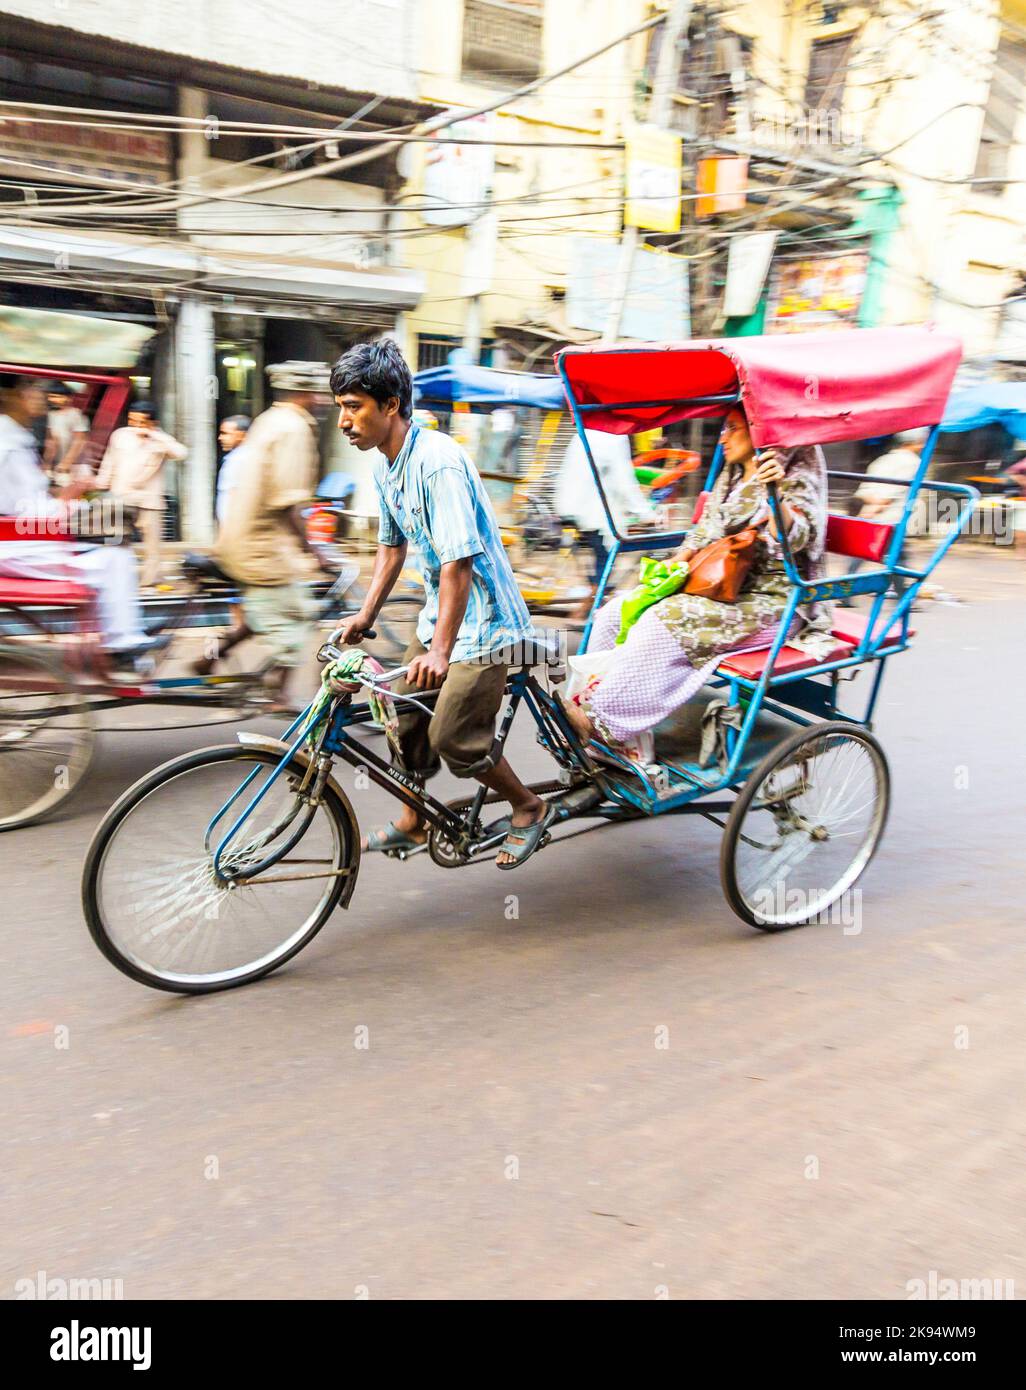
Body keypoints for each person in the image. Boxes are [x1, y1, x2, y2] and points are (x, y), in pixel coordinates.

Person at [329, 339, 549, 871]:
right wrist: (366, 616)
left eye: (354, 406)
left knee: (453, 734)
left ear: (390, 406)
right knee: (399, 711)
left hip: (489, 627)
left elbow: (458, 564)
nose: (344, 421)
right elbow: (391, 546)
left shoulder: (438, 464)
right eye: (340, 407)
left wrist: (441, 653)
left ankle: (527, 805)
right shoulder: (386, 464)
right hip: (444, 617)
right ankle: (413, 818)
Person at [561, 407, 831, 753]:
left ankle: (603, 722)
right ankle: (588, 702)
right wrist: (674, 567)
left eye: (732, 429)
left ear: (760, 432)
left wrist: (774, 492)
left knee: (659, 624)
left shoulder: (792, 470)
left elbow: (795, 540)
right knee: (616, 611)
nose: (722, 438)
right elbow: (704, 531)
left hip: (771, 599)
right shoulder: (732, 474)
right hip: (718, 587)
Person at [0, 374, 157, 661]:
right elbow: (28, 511)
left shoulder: (15, 436)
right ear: (10, 395)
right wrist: (71, 500)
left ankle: (121, 631)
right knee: (114, 558)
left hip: (20, 538)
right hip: (14, 546)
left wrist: (69, 502)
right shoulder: (8, 443)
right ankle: (120, 641)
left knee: (111, 544)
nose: (39, 392)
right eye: (30, 386)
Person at [213, 361, 336, 713]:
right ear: (306, 393)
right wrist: (316, 551)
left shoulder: (268, 419)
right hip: (261, 548)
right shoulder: (293, 428)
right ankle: (279, 693)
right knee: (299, 615)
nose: (325, 401)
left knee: (261, 613)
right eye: (320, 393)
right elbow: (288, 503)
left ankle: (211, 656)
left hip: (241, 540)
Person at [555, 427, 659, 620]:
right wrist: (646, 513)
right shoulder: (615, 437)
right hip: (593, 512)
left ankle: (593, 599)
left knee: (600, 557)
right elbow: (623, 481)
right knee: (606, 558)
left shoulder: (583, 433)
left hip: (570, 506)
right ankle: (588, 606)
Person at [95, 402, 186, 589]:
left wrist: (152, 434)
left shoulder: (161, 440)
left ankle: (148, 582)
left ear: (152, 422)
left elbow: (181, 453)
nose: (135, 424)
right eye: (132, 419)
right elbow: (109, 461)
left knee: (152, 546)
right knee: (115, 541)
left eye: (141, 421)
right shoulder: (120, 436)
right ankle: (115, 580)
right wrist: (102, 483)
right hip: (121, 496)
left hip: (149, 500)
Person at [845, 429, 927, 600]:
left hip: (871, 515)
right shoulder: (913, 463)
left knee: (863, 554)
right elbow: (894, 490)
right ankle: (903, 598)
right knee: (899, 558)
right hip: (890, 518)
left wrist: (869, 509)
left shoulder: (882, 460)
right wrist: (877, 507)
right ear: (915, 443)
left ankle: (845, 594)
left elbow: (865, 489)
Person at [43, 383, 89, 485]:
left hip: (73, 466)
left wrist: (66, 463)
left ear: (68, 398)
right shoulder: (51, 415)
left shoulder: (75, 414)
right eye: (51, 396)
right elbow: (51, 441)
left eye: (56, 396)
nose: (53, 399)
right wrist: (47, 464)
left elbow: (79, 441)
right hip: (58, 466)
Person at [215, 414, 251, 525]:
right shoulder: (234, 458)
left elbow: (238, 495)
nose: (220, 438)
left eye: (225, 434)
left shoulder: (243, 459)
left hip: (235, 525)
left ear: (241, 435)